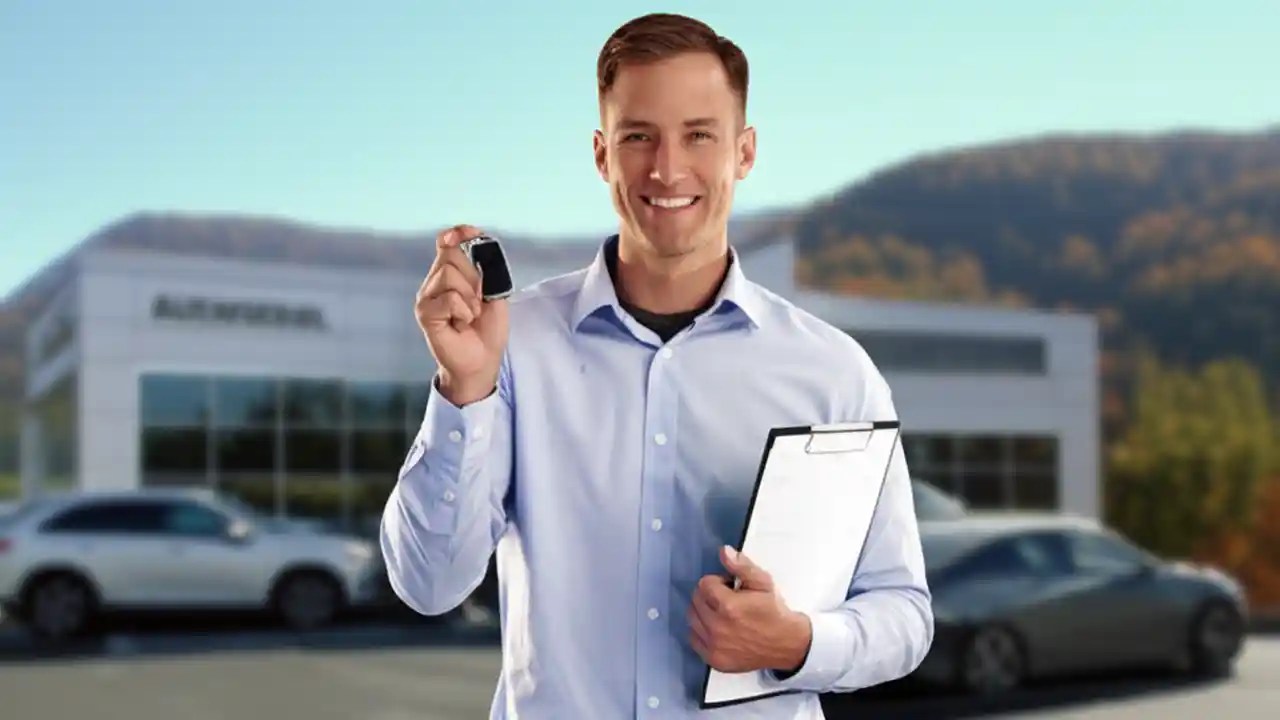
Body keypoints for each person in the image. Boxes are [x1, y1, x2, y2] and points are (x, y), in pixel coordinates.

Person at [381, 12, 933, 718]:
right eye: (639, 136)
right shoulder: (512, 346)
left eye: (698, 135)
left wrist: (798, 643)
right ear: (602, 154)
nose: (667, 169)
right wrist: (464, 388)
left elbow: (903, 612)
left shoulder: (833, 372)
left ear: (744, 152)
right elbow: (429, 587)